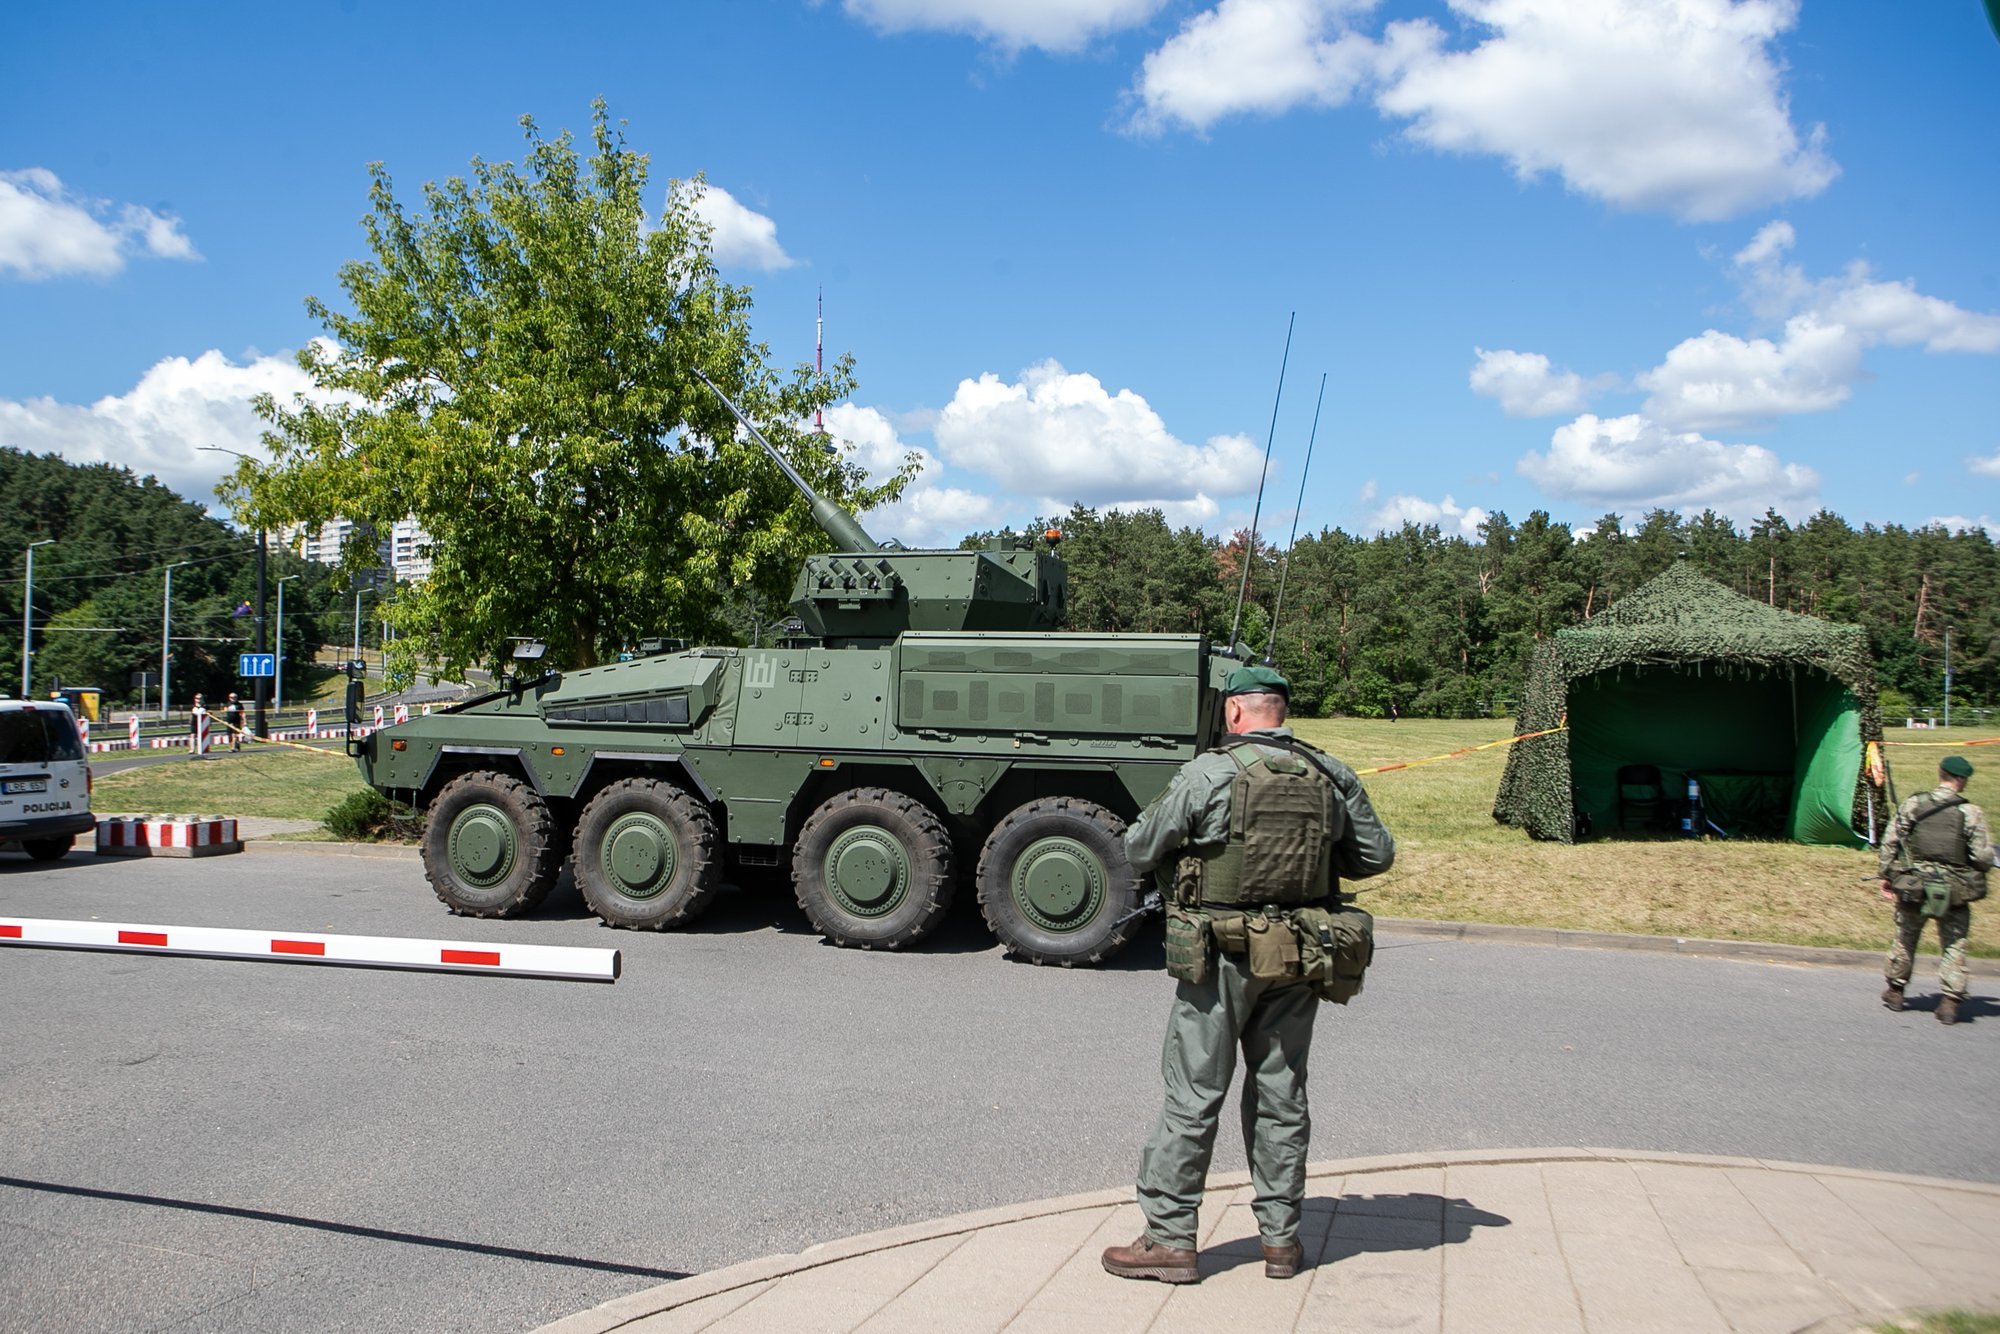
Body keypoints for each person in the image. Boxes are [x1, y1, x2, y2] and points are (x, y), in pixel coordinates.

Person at [1102, 665, 1396, 1285]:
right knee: (1282, 1095)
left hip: (1220, 958)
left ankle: (1170, 1241)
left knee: (1193, 1096)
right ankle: (1281, 1242)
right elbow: (1375, 856)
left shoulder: (1208, 772)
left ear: (1234, 712)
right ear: (1282, 711)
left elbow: (1139, 847)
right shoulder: (1329, 772)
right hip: (1299, 955)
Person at [1879, 754, 1991, 1025]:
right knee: (1954, 943)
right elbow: (1982, 857)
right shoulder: (1970, 812)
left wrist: (1887, 874)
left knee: (1906, 936)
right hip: (1953, 888)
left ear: (1940, 774)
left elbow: (1890, 842)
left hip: (1915, 884)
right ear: (1961, 780)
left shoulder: (1915, 803)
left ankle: (1895, 991)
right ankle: (1950, 1002)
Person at [189, 692, 207, 760]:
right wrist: (190, 721)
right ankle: (192, 749)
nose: (198, 700)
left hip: (202, 723)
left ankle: (201, 748)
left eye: (200, 698)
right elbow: (191, 715)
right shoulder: (193, 706)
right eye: (197, 698)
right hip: (194, 723)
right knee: (192, 735)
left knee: (201, 736)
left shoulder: (205, 707)